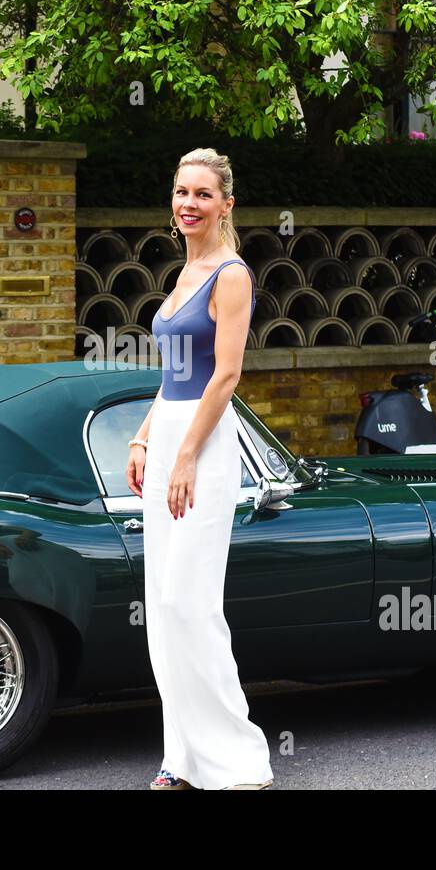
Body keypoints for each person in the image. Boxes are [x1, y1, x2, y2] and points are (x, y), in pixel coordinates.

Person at [124, 147, 273, 791]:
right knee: (161, 605)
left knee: (193, 605)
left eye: (203, 194)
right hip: (170, 438)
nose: (189, 204)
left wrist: (184, 453)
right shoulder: (182, 275)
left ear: (226, 204)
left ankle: (239, 760)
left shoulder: (231, 276)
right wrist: (142, 437)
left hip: (206, 447)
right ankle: (180, 756)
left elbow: (226, 376)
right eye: (182, 192)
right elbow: (173, 378)